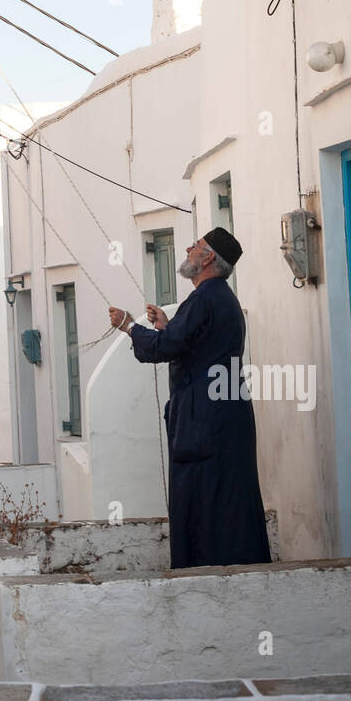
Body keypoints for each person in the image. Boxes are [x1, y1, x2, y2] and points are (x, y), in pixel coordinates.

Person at [108, 228, 271, 569]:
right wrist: (168, 325)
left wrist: (129, 326)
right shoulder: (220, 299)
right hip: (223, 417)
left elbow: (168, 348)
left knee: (202, 502)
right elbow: (191, 344)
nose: (188, 249)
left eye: (196, 246)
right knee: (228, 500)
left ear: (209, 258)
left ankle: (205, 579)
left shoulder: (205, 299)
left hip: (204, 423)